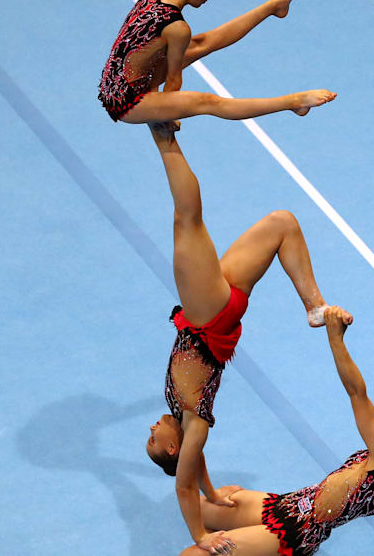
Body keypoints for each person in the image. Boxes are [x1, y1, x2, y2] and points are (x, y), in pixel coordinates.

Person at [144, 122, 348, 555]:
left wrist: (214, 492)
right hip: (208, 314)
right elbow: (184, 485)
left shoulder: (181, 420)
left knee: (282, 222)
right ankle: (163, 137)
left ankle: (315, 307)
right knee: (187, 219)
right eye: (152, 441)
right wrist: (200, 534)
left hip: (215, 307)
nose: (150, 428)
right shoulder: (194, 423)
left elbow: (194, 468)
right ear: (172, 447)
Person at [173, 306, 374, 556]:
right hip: (288, 503)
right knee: (199, 510)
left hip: (295, 532)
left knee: (192, 554)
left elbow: (356, 392)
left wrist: (335, 337)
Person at [98, 0, 336, 127]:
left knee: (201, 43)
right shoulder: (178, 28)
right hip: (124, 100)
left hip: (121, 75)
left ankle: (274, 6)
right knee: (208, 102)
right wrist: (167, 114)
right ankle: (293, 102)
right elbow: (172, 82)